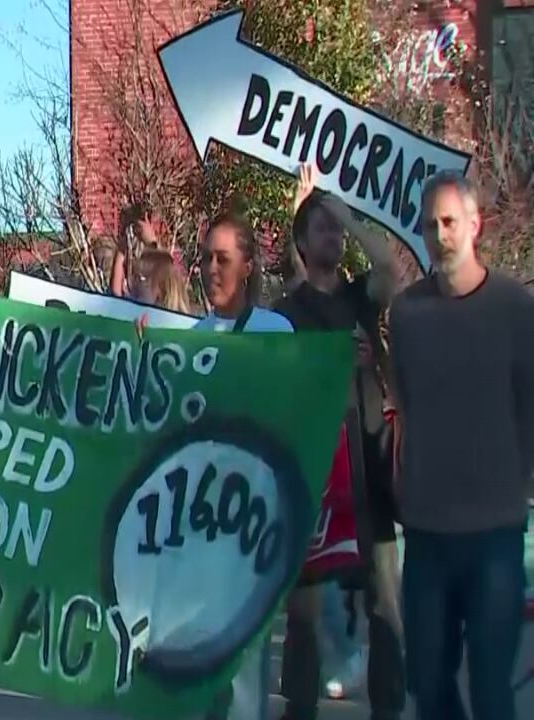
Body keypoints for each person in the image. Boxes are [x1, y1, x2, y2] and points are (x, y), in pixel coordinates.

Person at [388, 170, 534, 720]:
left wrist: (516, 477)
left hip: (494, 531)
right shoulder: (406, 314)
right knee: (428, 680)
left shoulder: (513, 308)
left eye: (449, 222)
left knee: (492, 685)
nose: (439, 235)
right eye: (430, 226)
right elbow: (404, 398)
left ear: (474, 225)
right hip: (427, 533)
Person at [273, 179, 405, 720]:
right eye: (322, 227)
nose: (333, 236)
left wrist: (346, 215)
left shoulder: (358, 298)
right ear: (302, 243)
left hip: (369, 470)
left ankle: (389, 709)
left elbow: (390, 269)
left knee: (386, 608)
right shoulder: (287, 311)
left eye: (336, 229)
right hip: (317, 478)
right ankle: (297, 708)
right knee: (302, 613)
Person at [192, 215, 293, 720]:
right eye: (207, 257)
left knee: (248, 673)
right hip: (205, 528)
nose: (212, 268)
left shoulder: (278, 333)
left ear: (248, 266)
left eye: (223, 258)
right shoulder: (195, 336)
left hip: (256, 524)